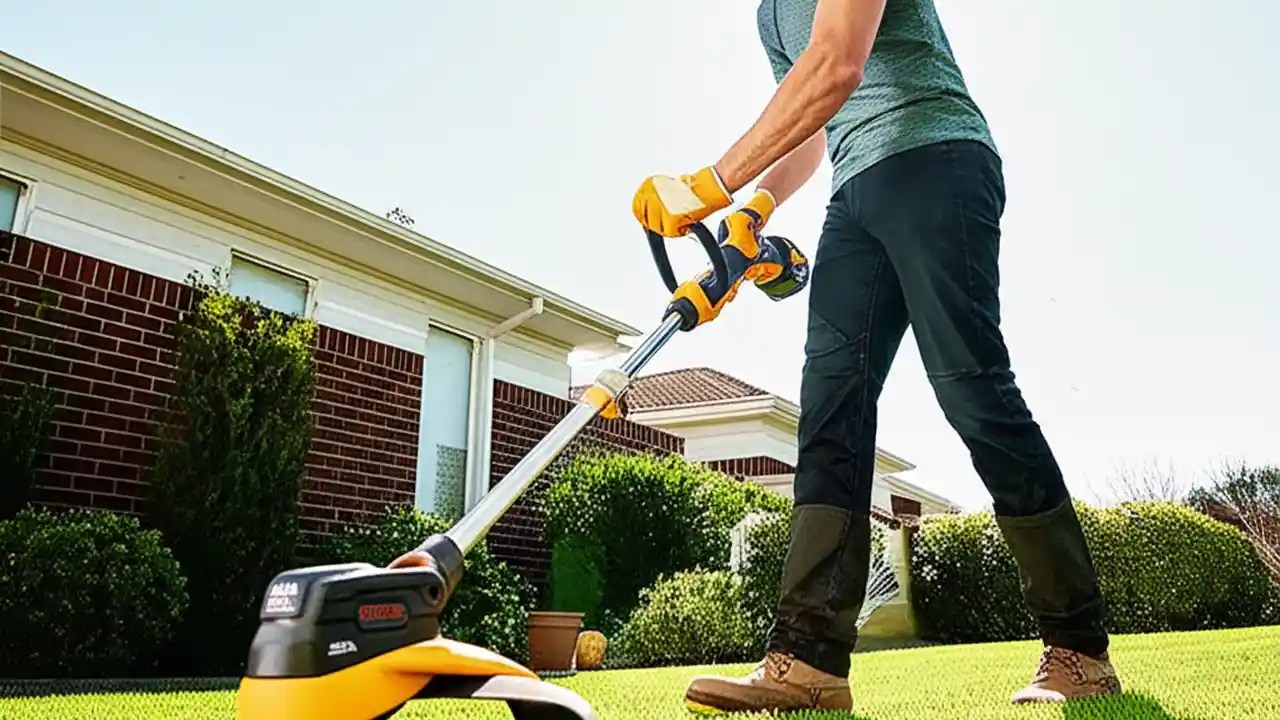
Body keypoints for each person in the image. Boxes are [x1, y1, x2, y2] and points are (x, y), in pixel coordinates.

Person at [630, 0, 1122, 712]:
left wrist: (712, 183)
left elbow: (838, 63)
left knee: (971, 388)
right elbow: (810, 126)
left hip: (936, 157)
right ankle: (808, 662)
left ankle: (1079, 649)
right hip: (855, 190)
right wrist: (753, 213)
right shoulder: (771, 16)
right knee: (831, 409)